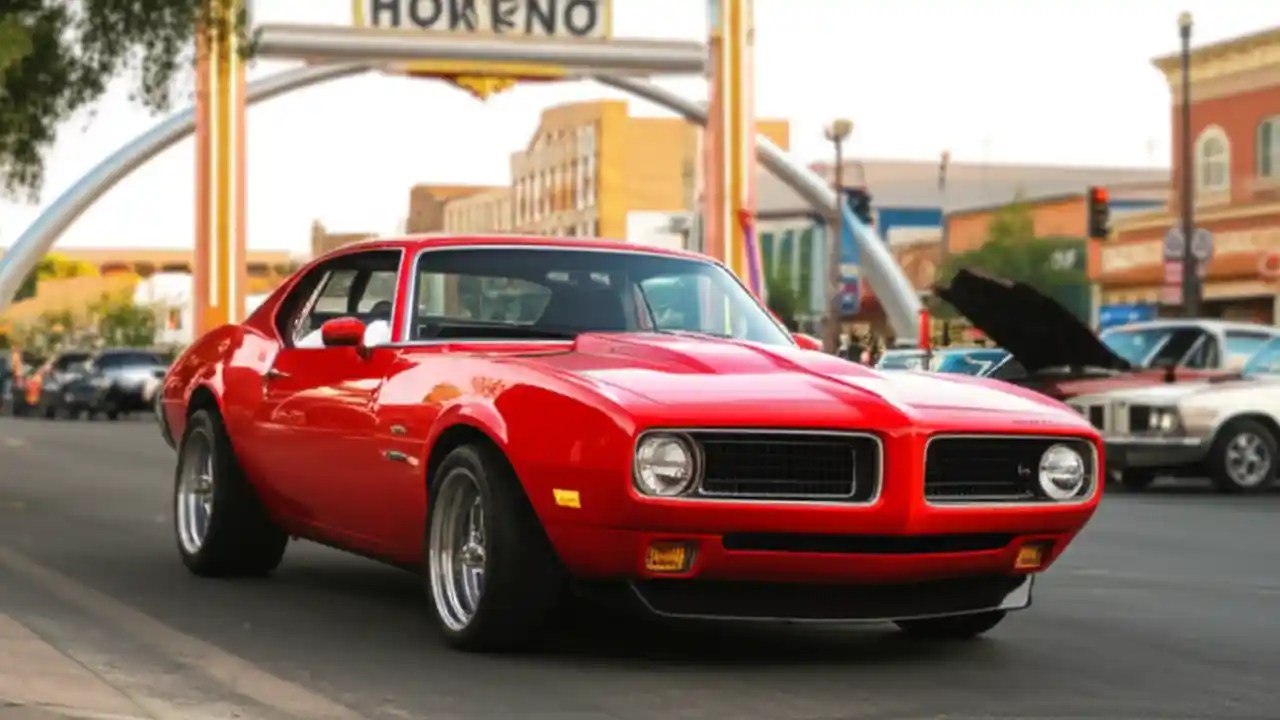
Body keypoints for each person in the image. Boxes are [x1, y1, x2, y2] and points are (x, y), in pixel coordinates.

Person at [295, 300, 393, 349]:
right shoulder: (377, 329)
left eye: (385, 315)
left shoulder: (379, 329)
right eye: (378, 315)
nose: (381, 317)